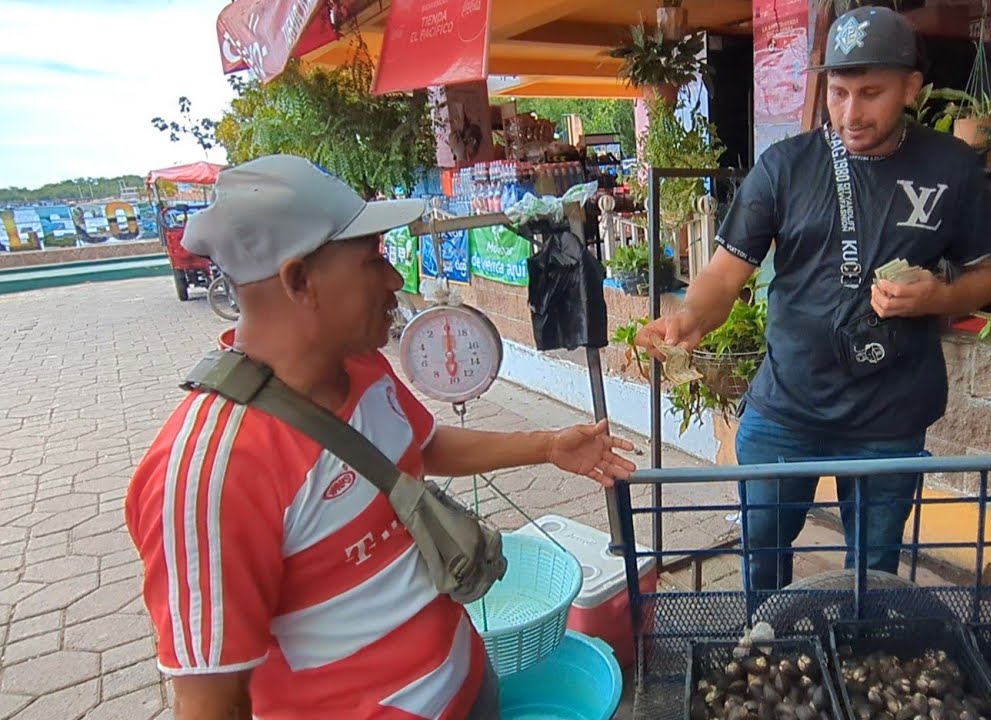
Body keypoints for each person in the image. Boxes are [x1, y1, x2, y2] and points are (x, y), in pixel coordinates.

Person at [124, 154, 637, 720]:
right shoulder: (210, 475)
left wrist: (545, 446)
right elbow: (208, 702)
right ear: (300, 281)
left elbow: (417, 448)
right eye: (373, 260)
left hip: (471, 685)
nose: (395, 278)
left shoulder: (363, 366)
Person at [636, 6, 991, 591]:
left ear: (911, 87)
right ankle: (767, 648)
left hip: (891, 413)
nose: (851, 113)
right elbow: (726, 274)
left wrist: (938, 296)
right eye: (838, 92)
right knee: (761, 558)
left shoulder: (952, 167)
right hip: (785, 408)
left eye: (871, 93)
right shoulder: (785, 165)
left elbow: (989, 274)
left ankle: (856, 661)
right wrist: (687, 317)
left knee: (872, 572)